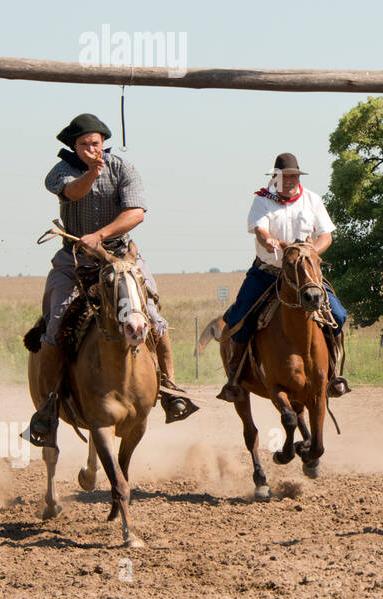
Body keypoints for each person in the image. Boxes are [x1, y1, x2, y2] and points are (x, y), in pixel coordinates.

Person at [27, 113, 197, 446]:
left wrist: (101, 234)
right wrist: (92, 173)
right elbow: (73, 193)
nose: (92, 149)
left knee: (152, 316)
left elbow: (137, 212)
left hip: (122, 257)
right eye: (84, 144)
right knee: (56, 321)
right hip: (73, 261)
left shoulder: (123, 168)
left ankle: (169, 388)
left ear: (104, 142)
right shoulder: (61, 171)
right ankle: (48, 405)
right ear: (74, 147)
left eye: (96, 143)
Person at [217, 153, 350, 401]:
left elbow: (326, 235)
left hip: (304, 273)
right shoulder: (262, 200)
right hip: (269, 272)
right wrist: (267, 240)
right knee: (239, 317)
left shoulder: (312, 200)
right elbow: (260, 229)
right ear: (275, 177)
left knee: (338, 315)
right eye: (285, 176)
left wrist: (311, 252)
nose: (290, 181)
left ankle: (332, 373)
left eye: (293, 176)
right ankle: (235, 376)